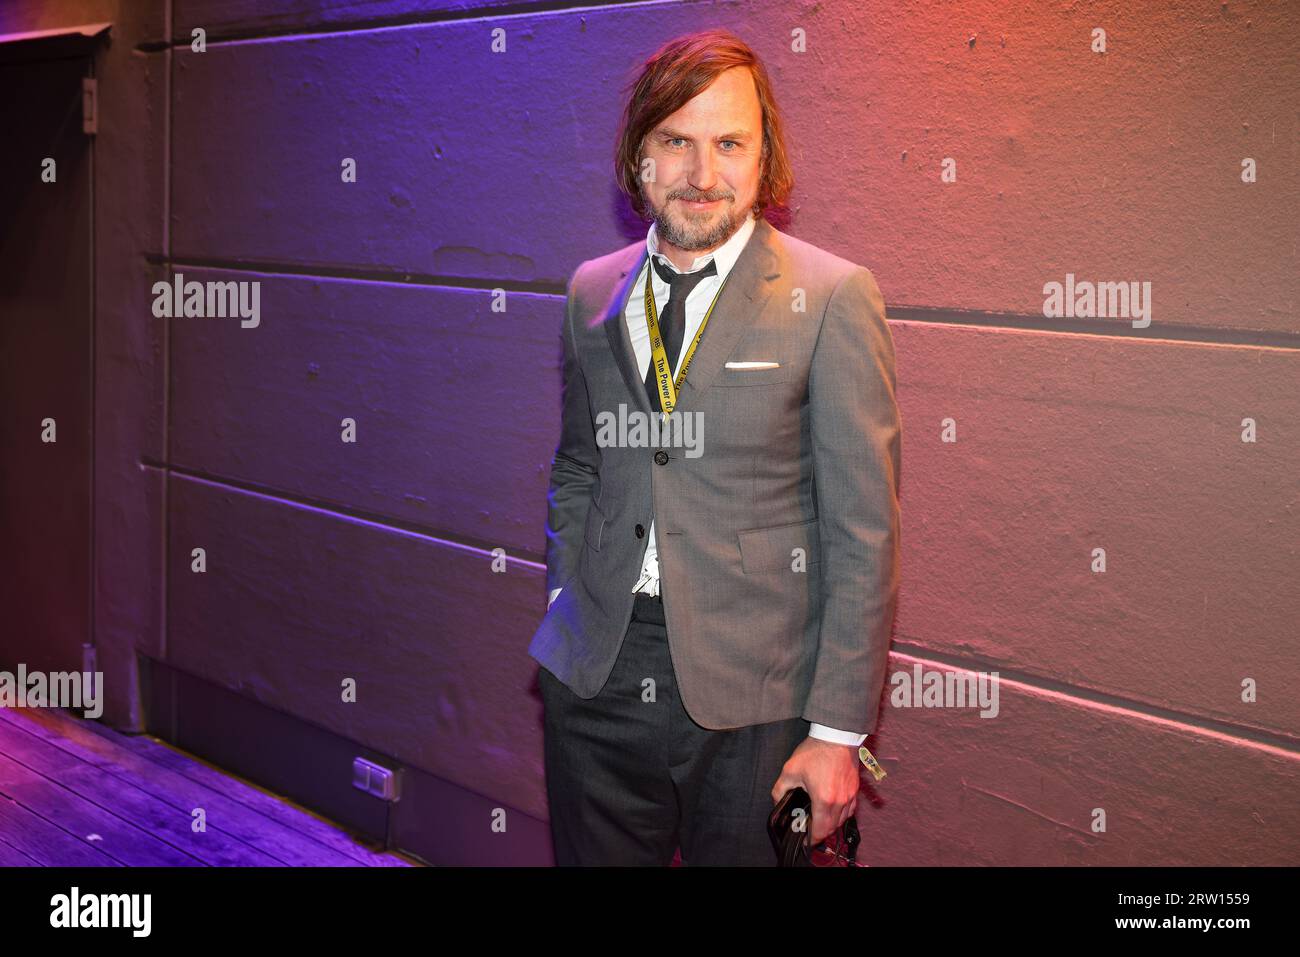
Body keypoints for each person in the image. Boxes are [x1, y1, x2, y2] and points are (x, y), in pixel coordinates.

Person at [528, 28, 902, 866]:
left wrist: (838, 731)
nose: (702, 174)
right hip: (596, 677)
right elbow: (579, 463)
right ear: (638, 159)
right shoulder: (590, 290)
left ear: (764, 157)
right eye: (676, 142)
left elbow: (863, 529)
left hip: (758, 701)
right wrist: (567, 597)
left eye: (730, 143)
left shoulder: (834, 297)